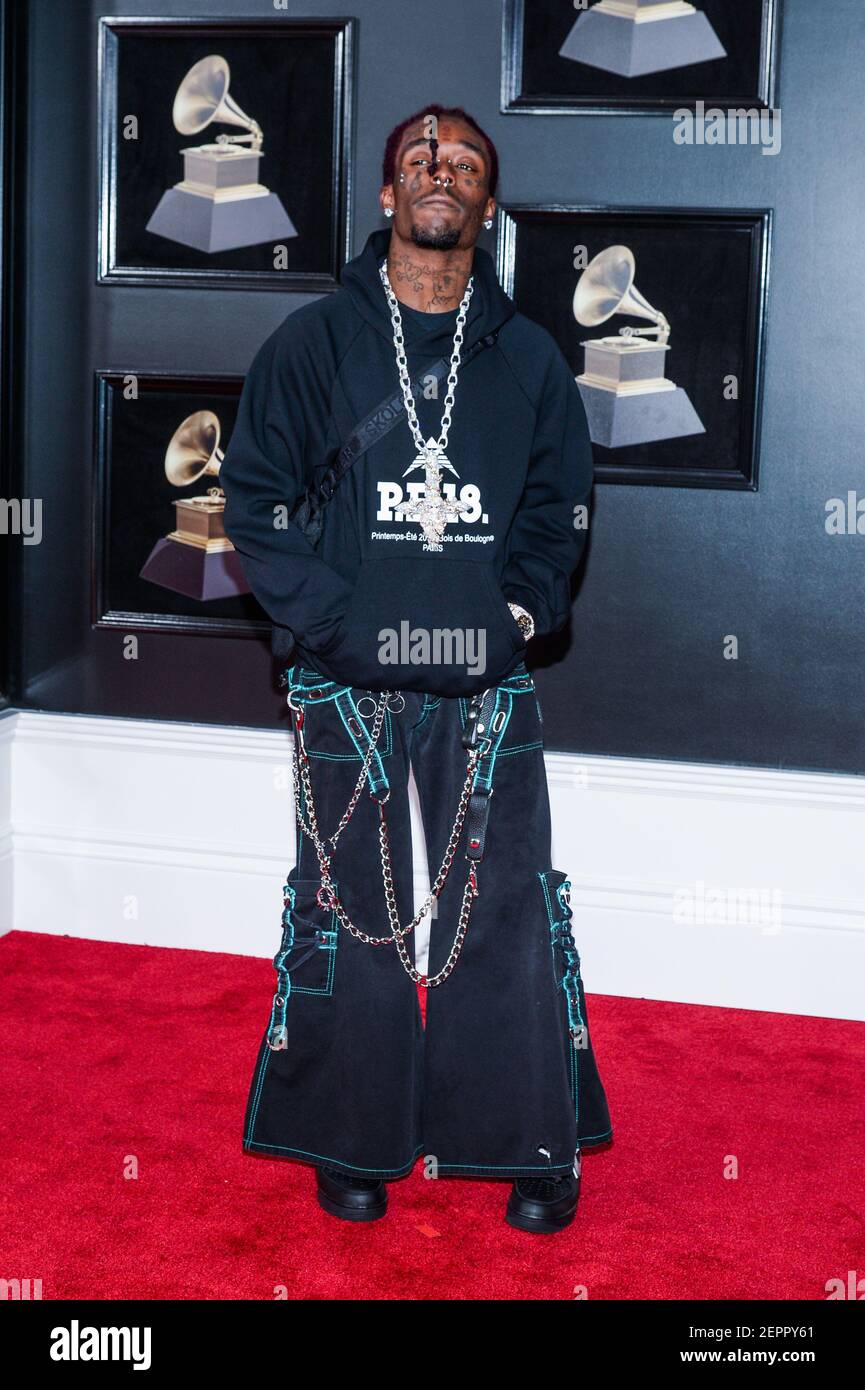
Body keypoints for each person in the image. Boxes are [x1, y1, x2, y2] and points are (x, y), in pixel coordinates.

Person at [220, 104, 613, 1234]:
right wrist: (336, 626)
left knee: (507, 907)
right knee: (352, 906)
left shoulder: (531, 357)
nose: (442, 173)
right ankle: (354, 1136)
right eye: (420, 160)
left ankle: (529, 1137)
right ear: (389, 196)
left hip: (486, 676)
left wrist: (517, 612)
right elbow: (252, 504)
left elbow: (559, 511)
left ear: (487, 207)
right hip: (348, 678)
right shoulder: (310, 343)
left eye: (467, 164)